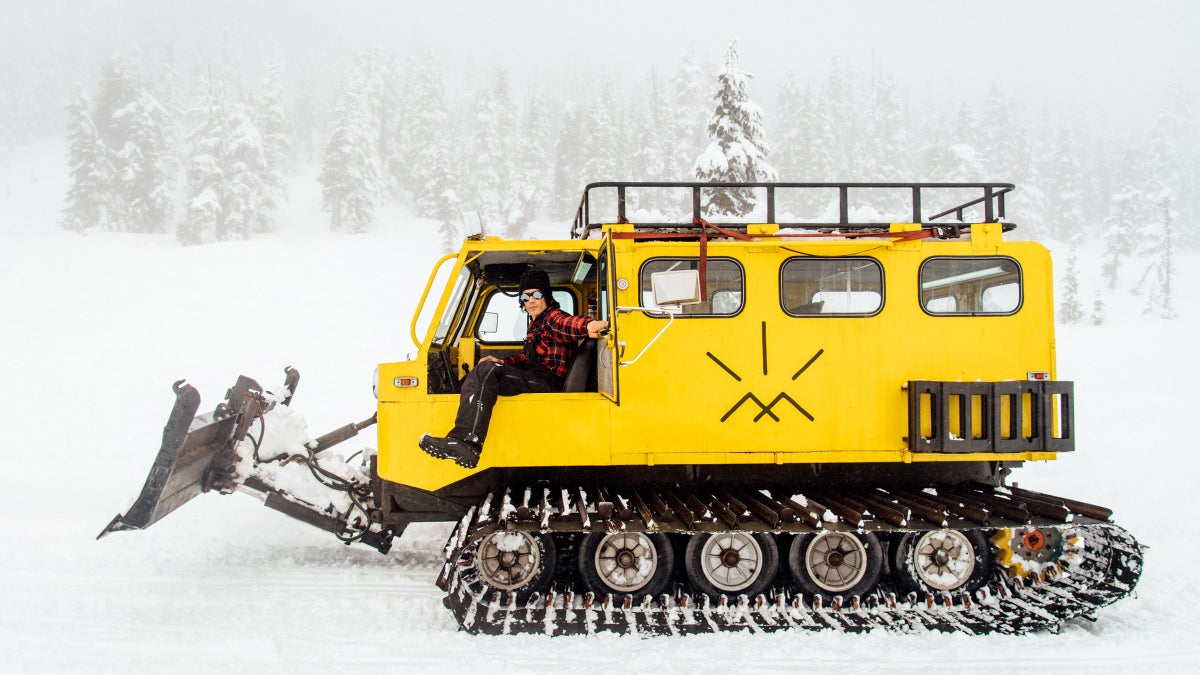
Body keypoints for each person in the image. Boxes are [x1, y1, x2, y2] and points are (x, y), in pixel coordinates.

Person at [419, 269, 608, 469]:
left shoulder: (552, 317)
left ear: (546, 295)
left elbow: (567, 324)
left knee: (486, 371)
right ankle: (456, 433)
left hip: (547, 384)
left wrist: (590, 325)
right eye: (525, 297)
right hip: (536, 379)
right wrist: (502, 362)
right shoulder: (536, 322)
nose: (531, 301)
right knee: (482, 370)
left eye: (536, 294)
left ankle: (467, 442)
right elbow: (530, 357)